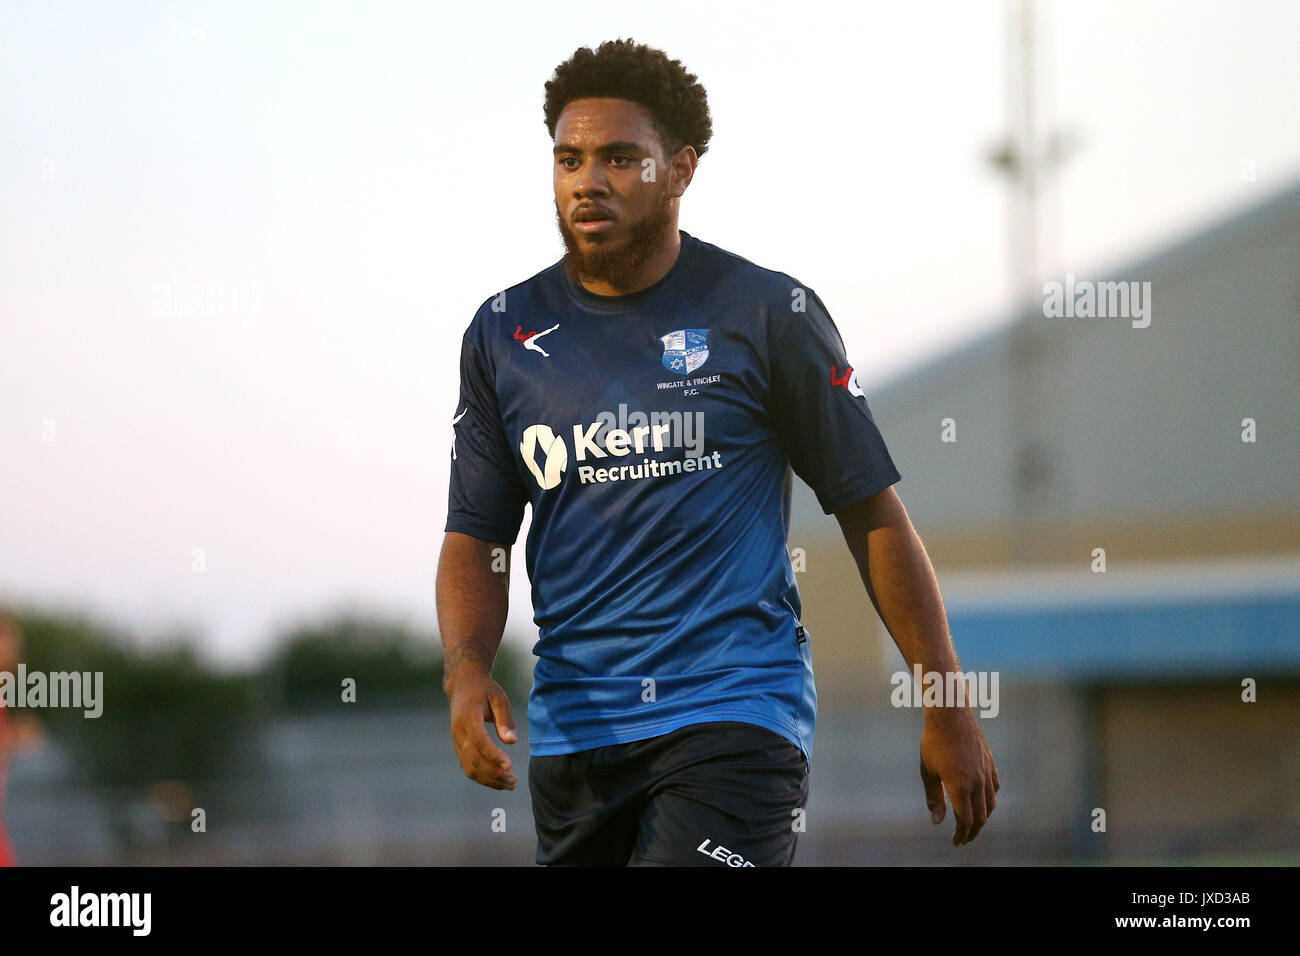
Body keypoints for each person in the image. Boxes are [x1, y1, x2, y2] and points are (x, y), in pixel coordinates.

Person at [437, 38, 998, 866]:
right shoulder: (502, 333)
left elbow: (870, 509)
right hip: (574, 729)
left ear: (682, 169)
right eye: (570, 159)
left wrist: (945, 699)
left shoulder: (768, 311)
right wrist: (465, 673)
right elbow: (476, 538)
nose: (589, 180)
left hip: (734, 714)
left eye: (621, 158)